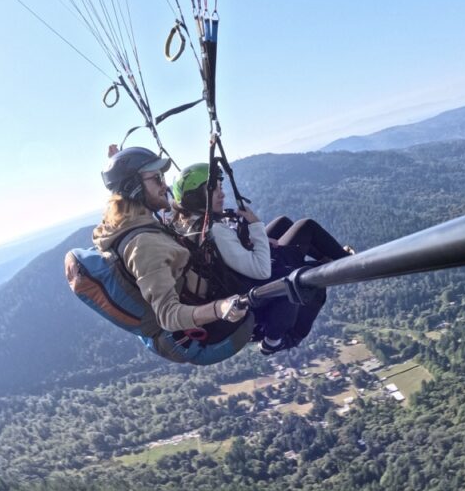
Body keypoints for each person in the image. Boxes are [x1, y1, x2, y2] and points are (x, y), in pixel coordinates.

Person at [93, 146, 255, 360]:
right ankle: (278, 338)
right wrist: (220, 308)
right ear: (133, 188)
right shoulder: (144, 246)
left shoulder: (127, 221)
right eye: (157, 178)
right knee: (280, 273)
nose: (164, 185)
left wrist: (117, 161)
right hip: (211, 333)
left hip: (201, 301)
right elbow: (168, 315)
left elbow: (125, 193)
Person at [170, 162, 351, 353]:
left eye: (220, 187)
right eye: (214, 190)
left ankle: (330, 257)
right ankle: (347, 262)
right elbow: (261, 270)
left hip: (235, 277)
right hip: (252, 286)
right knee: (307, 228)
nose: (222, 194)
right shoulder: (214, 230)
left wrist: (254, 239)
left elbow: (229, 252)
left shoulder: (193, 225)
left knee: (283, 223)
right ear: (197, 198)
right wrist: (255, 225)